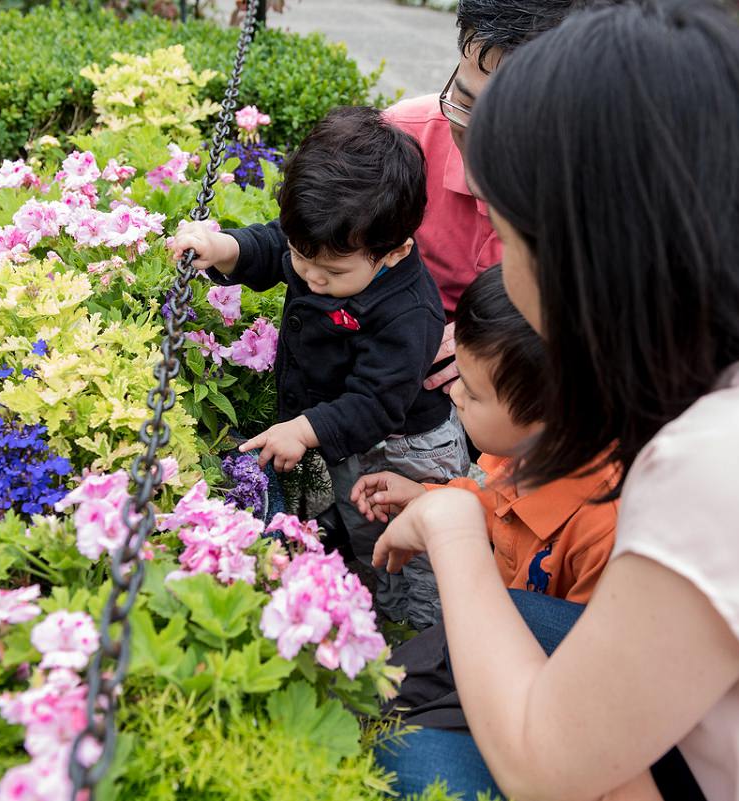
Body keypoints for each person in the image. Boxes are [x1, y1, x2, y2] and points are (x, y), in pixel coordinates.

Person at [371, 2, 739, 800]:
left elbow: (542, 766)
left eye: (506, 226)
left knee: (398, 755)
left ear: (587, 249)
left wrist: (451, 522)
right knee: (502, 630)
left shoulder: (730, 462)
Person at [168, 106, 469, 628]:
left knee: (404, 550)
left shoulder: (409, 311)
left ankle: (423, 635)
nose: (307, 276)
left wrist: (304, 430)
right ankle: (360, 591)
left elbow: (376, 402)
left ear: (394, 252)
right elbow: (270, 249)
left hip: (403, 448)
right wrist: (224, 247)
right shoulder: (324, 248)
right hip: (340, 429)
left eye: (329, 271)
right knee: (353, 526)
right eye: (300, 256)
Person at [352, 265, 618, 604]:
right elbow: (501, 512)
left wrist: (454, 549)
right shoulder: (527, 452)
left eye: (473, 392)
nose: (455, 394)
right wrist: (428, 495)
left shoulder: (603, 537)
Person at [386, 0, 589, 392]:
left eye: (518, 120)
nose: (483, 142)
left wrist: (516, 336)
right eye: (466, 104)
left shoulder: (618, 194)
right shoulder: (401, 144)